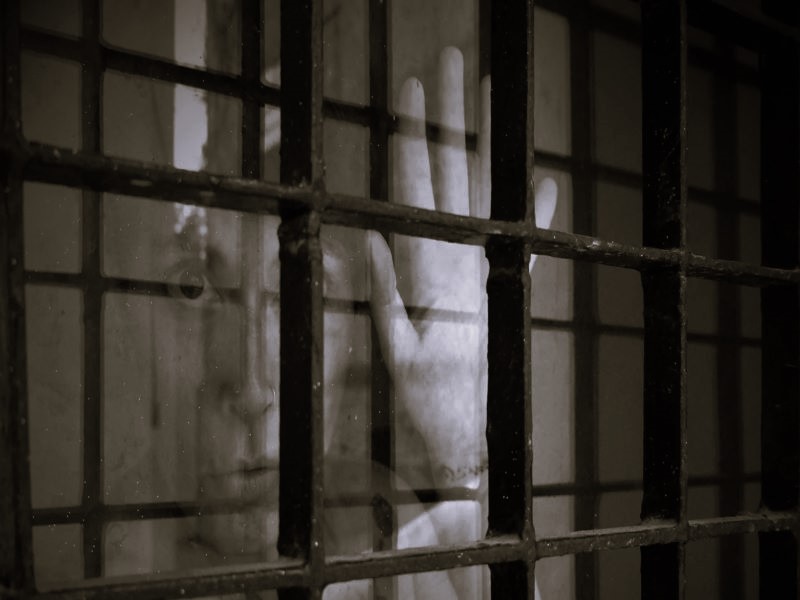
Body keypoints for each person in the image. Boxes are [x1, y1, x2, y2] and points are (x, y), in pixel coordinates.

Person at [160, 47, 556, 599]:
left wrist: (463, 450)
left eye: (306, 289)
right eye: (193, 289)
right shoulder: (93, 549)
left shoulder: (378, 517)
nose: (252, 390)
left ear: (352, 337)